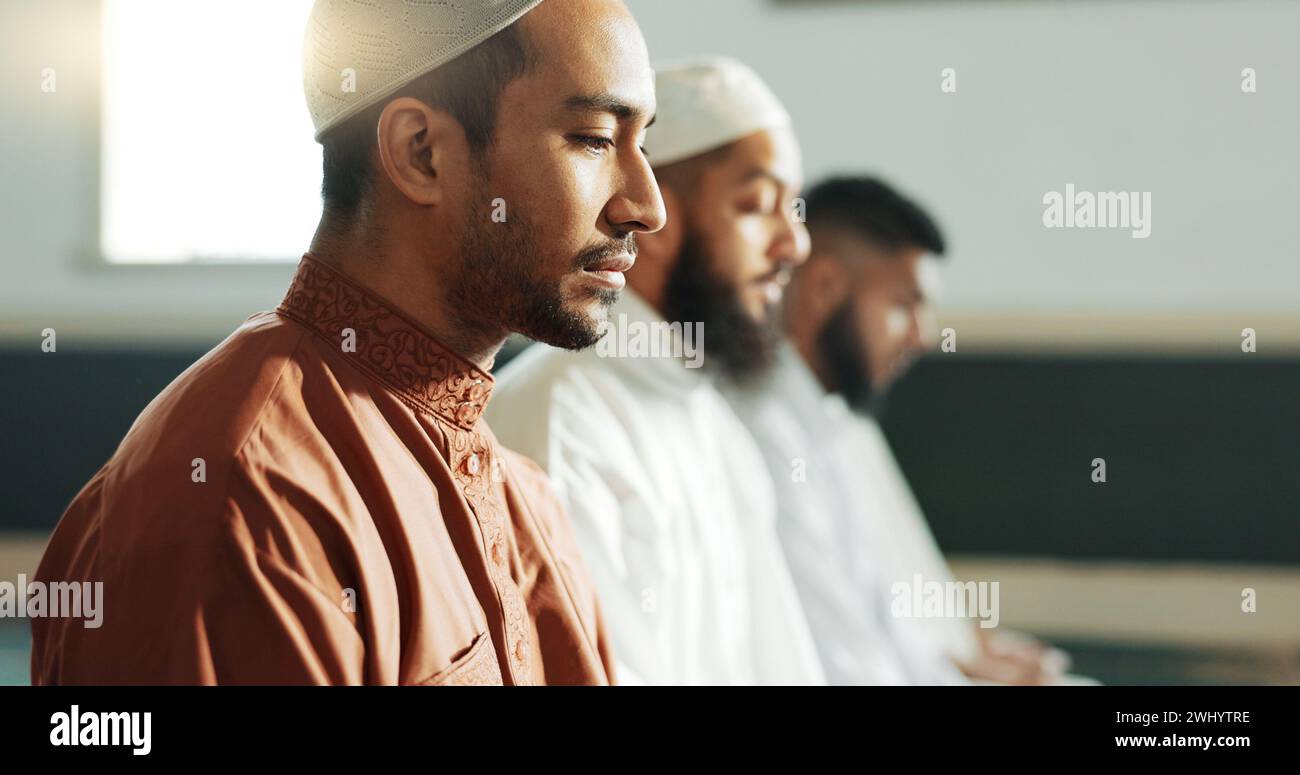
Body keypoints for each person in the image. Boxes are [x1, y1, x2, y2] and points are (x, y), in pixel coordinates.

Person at [31, 0, 667, 685]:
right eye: (595, 138)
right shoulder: (247, 498)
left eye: (644, 145)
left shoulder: (521, 494)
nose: (645, 204)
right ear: (419, 152)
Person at [487, 57, 824, 685]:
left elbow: (781, 660)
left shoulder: (709, 418)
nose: (793, 245)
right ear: (657, 214)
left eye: (793, 208)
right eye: (757, 205)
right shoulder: (561, 417)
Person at [728, 176, 1071, 685]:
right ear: (823, 287)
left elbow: (885, 623)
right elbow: (847, 670)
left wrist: (969, 664)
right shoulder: (766, 435)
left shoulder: (834, 422)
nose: (924, 335)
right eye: (903, 304)